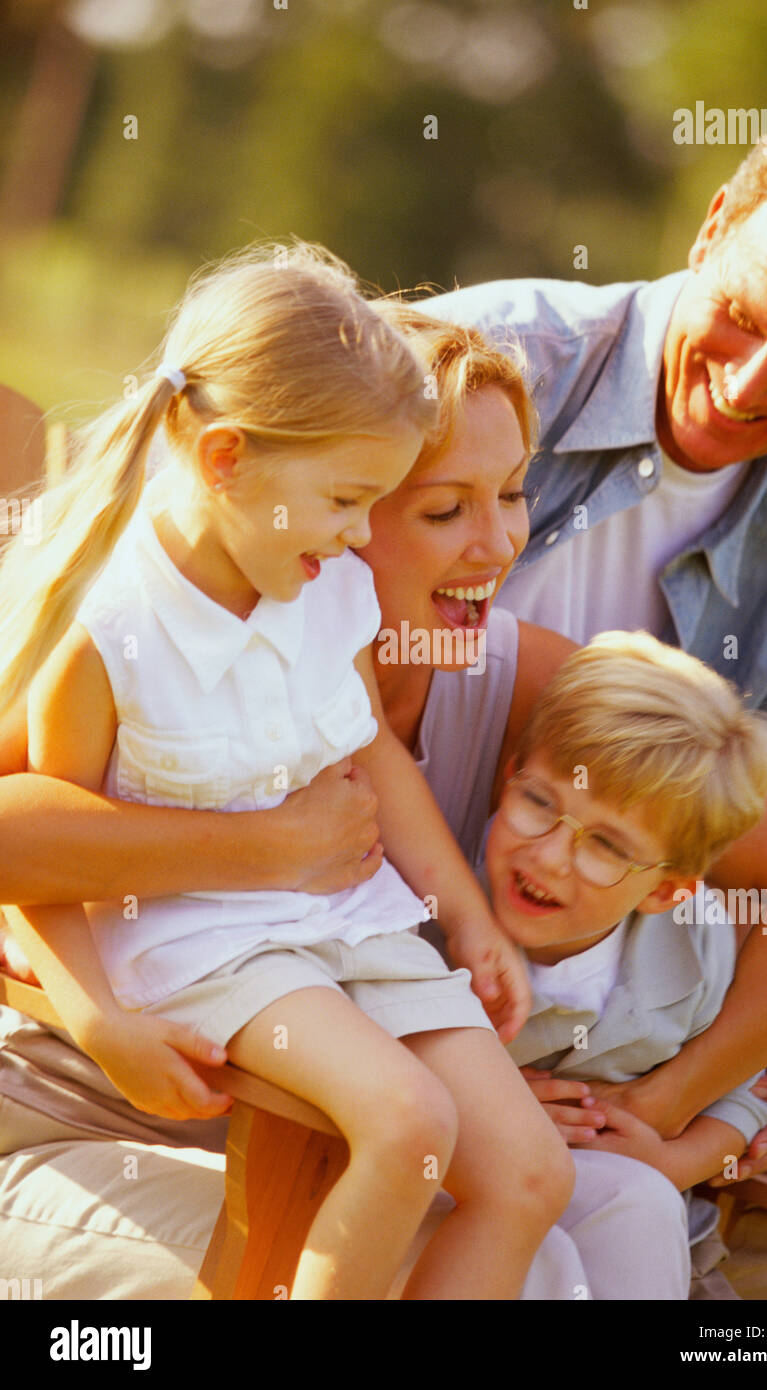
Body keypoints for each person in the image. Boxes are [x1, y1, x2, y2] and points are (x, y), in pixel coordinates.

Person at [2, 303, 767, 1300]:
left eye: (511, 495)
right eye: (442, 508)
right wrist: (272, 849)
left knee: (731, 1174)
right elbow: (32, 846)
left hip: (356, 1098)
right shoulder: (148, 642)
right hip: (111, 1116)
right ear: (331, 501)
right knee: (531, 1249)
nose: (497, 545)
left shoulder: (511, 674)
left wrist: (675, 1100)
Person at [0, 242, 577, 1301]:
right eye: (348, 500)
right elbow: (35, 853)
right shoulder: (111, 633)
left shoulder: (327, 587)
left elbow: (368, 759)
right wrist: (99, 1021)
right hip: (206, 942)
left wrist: (468, 916)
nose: (361, 535)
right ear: (225, 460)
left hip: (350, 920)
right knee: (408, 1128)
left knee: (532, 1173)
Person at [424, 98, 767, 1200]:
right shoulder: (491, 364)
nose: (754, 382)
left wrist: (692, 1092)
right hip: (423, 870)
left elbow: (757, 855)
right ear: (711, 227)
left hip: (623, 915)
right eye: (743, 317)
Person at [485, 630, 767, 1294]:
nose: (549, 857)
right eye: (538, 803)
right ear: (509, 774)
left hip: (597, 1182)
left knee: (640, 1200)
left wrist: (678, 1158)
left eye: (606, 846)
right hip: (449, 1172)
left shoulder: (693, 946)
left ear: (665, 889)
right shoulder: (438, 911)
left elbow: (742, 1086)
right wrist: (479, 1095)